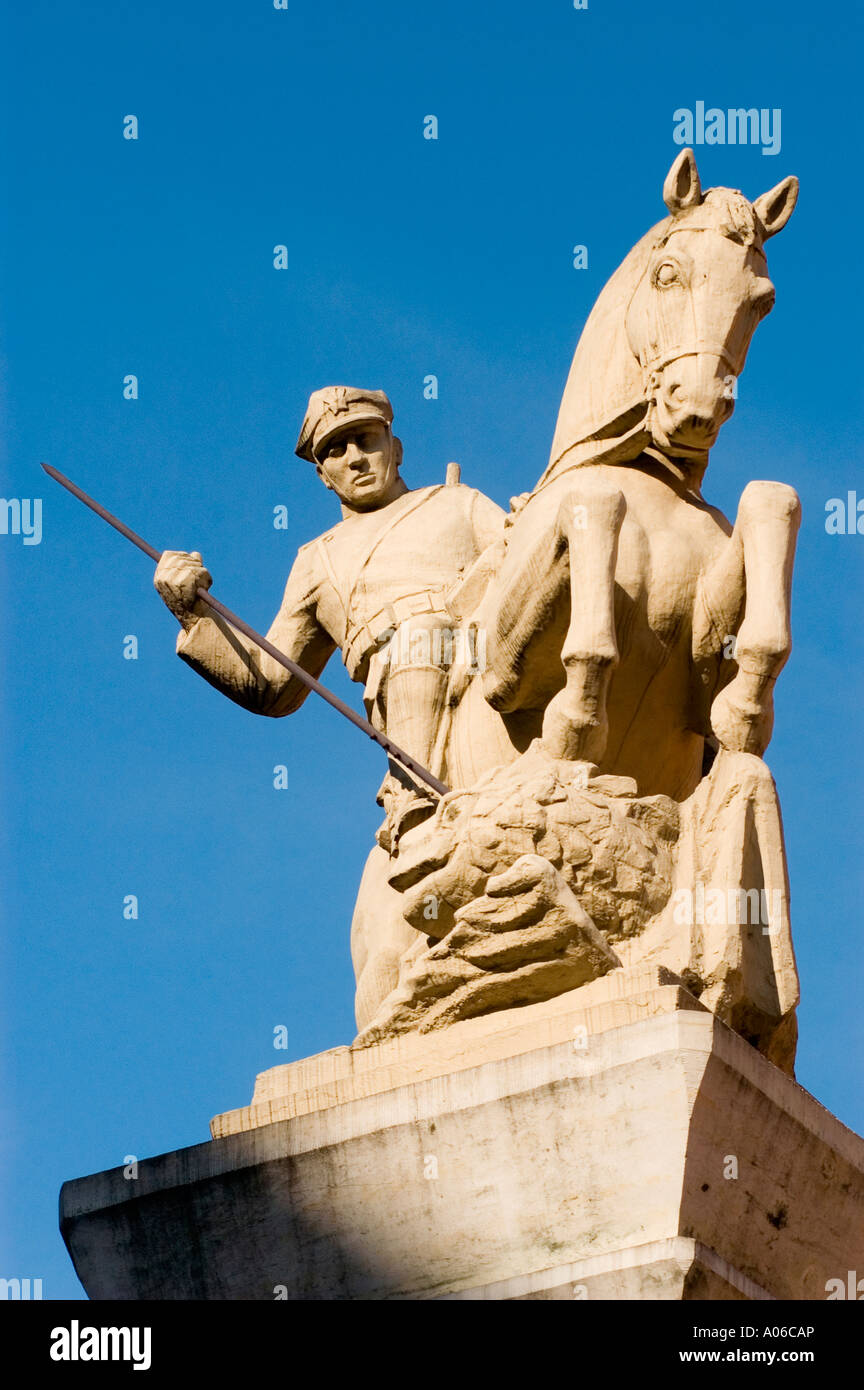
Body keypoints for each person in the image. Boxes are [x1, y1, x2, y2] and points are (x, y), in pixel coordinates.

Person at [153, 385, 518, 1026]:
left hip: (489, 663)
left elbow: (522, 558)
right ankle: (416, 814)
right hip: (402, 696)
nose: (353, 456)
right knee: (412, 641)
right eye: (335, 449)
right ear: (322, 474)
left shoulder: (457, 504)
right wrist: (192, 612)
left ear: (394, 445)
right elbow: (274, 683)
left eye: (364, 439)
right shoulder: (316, 561)